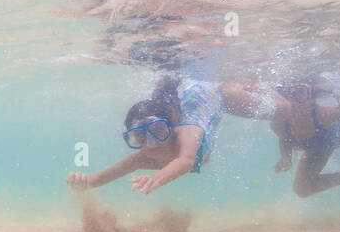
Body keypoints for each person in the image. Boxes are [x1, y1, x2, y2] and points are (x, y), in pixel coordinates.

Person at [66, 75, 224, 196]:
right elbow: (93, 181)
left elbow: (186, 161)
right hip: (183, 101)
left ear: (172, 129)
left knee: (233, 95)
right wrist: (80, 181)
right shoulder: (142, 157)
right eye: (140, 135)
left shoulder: (189, 133)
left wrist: (156, 178)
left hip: (204, 95)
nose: (151, 143)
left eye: (158, 131)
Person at [268, 74, 340, 199]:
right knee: (302, 190)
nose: (292, 101)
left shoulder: (323, 114)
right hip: (319, 149)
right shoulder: (278, 123)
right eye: (284, 94)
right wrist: (286, 158)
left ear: (311, 100)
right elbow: (284, 139)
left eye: (300, 93)